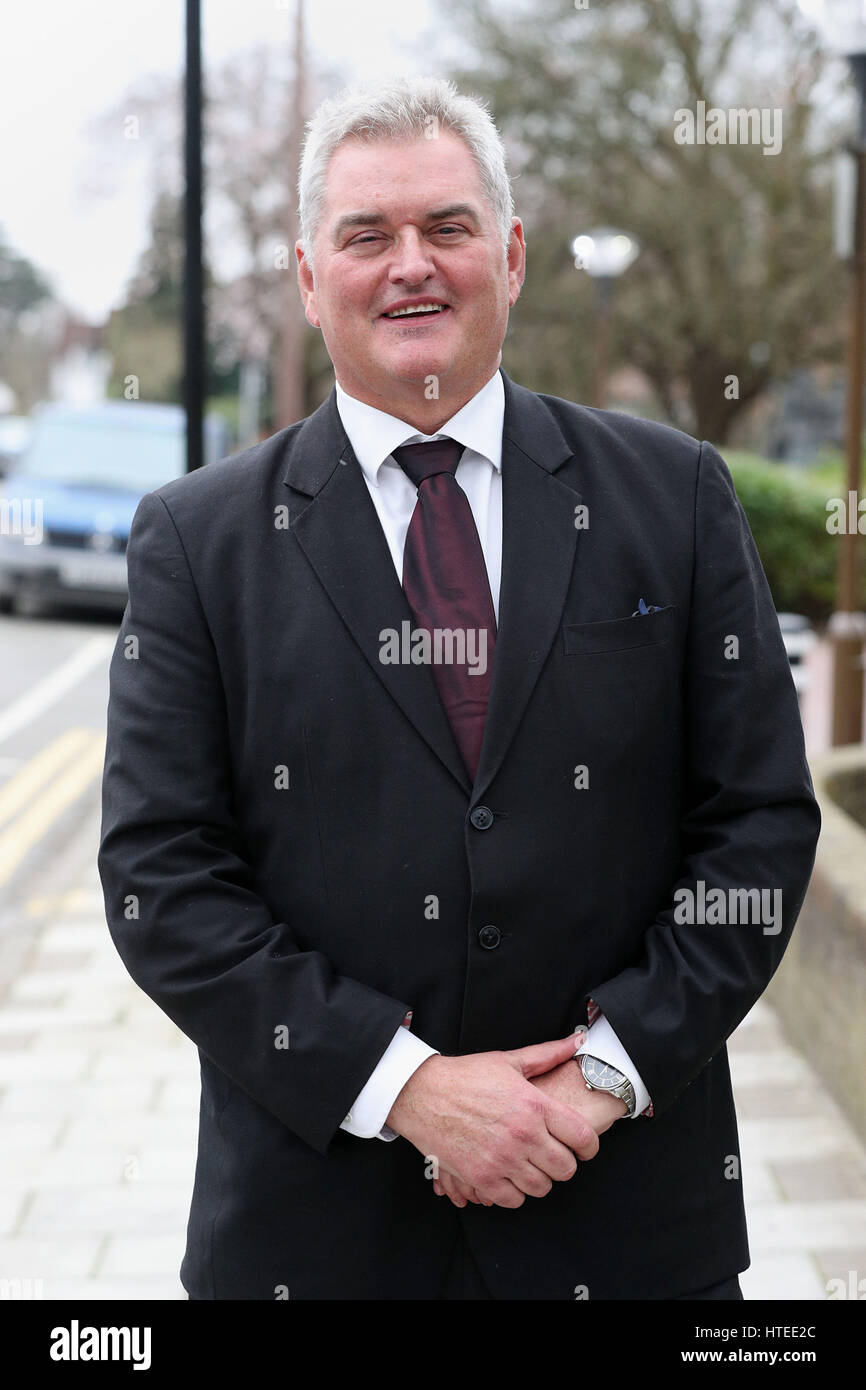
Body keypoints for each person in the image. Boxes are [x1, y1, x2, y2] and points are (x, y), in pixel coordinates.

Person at [98, 75, 821, 1301]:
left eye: (445, 227)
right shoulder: (195, 541)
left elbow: (756, 825)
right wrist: (409, 1091)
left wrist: (600, 1081)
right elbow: (161, 876)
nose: (409, 267)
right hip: (316, 1245)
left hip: (629, 1228)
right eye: (364, 235)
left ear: (512, 252)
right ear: (307, 276)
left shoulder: (673, 496)